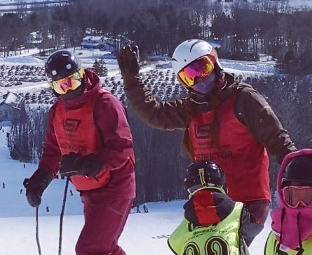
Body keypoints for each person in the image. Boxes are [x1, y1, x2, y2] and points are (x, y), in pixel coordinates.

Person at [22, 51, 155, 255]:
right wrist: (39, 181)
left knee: (91, 251)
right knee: (106, 248)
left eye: (71, 82)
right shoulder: (57, 112)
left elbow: (123, 147)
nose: (67, 90)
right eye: (60, 86)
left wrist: (89, 164)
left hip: (114, 186)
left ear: (82, 75)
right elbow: (53, 152)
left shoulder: (105, 103)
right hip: (90, 191)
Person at [116, 39, 295, 242]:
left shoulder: (244, 99)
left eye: (203, 68)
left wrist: (301, 173)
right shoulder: (192, 107)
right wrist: (131, 80)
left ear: (215, 63)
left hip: (248, 203)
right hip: (209, 203)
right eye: (189, 77)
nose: (199, 79)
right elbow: (155, 114)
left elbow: (277, 139)